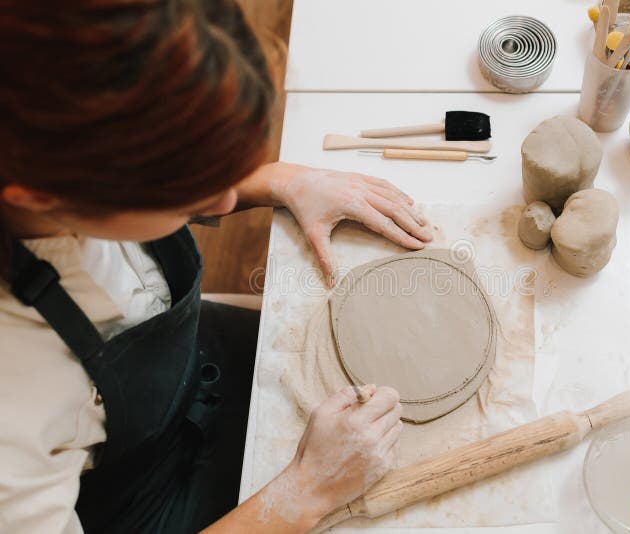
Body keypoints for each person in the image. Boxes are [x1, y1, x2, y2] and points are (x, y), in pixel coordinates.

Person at [0, 1, 432, 532]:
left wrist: (282, 180)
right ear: (41, 196)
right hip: (141, 505)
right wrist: (304, 494)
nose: (229, 201)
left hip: (185, 365)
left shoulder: (49, 108)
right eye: (188, 193)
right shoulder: (14, 413)